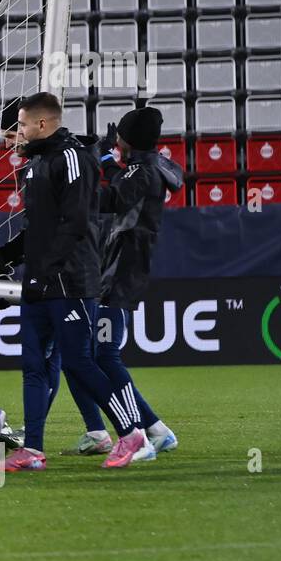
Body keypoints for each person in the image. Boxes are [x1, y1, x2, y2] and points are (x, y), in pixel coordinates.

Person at [0, 93, 157, 471]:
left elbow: (76, 223)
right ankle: (32, 449)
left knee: (80, 362)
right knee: (33, 365)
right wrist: (6, 256)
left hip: (71, 281)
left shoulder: (71, 157)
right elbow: (41, 227)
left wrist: (45, 271)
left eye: (23, 124)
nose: (20, 131)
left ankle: (131, 433)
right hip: (41, 281)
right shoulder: (37, 163)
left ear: (43, 124)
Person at [76, 106, 181, 456]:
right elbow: (124, 182)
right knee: (99, 354)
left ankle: (137, 432)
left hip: (118, 271)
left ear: (128, 139)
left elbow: (114, 197)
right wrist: (108, 158)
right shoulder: (153, 166)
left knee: (104, 356)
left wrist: (93, 165)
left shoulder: (141, 171)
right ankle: (155, 428)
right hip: (124, 270)